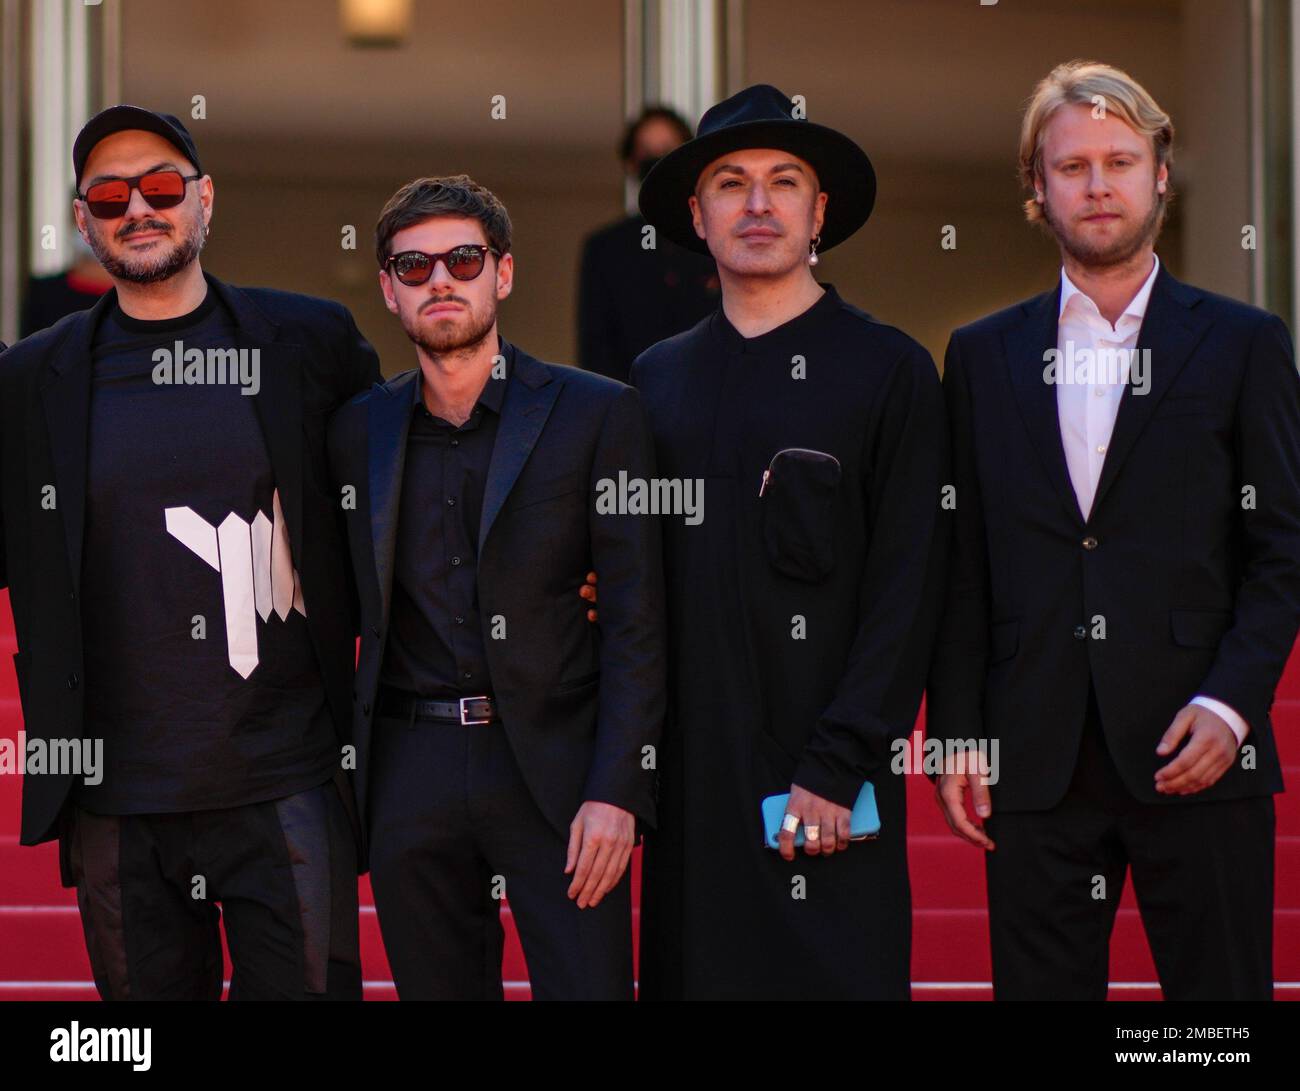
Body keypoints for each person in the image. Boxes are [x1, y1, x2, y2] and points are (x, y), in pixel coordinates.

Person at [928, 61, 1300, 1000]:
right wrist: (959, 735)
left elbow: (1282, 544)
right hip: (1036, 752)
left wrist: (1231, 704)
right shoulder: (978, 356)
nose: (1098, 185)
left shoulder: (1247, 342)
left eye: (1121, 161)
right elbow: (962, 561)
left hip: (1199, 742)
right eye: (1072, 165)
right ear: (1036, 189)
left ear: (1160, 175)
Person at [0, 105, 379, 999]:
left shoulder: (309, 343)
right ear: (84, 218)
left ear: (205, 201)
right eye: (111, 194)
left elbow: (396, 496)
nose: (140, 207)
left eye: (163, 186)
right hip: (115, 796)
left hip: (286, 777)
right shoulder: (29, 380)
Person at [632, 84, 949, 999]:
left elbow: (909, 588)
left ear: (822, 211)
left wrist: (840, 764)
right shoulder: (654, 381)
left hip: (823, 781)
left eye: (784, 181)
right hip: (689, 796)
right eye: (731, 183)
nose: (758, 203)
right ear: (696, 215)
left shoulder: (890, 369)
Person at [327, 175, 665, 1000]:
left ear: (502, 274)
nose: (440, 280)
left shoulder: (598, 414)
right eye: (414, 267)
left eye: (463, 259)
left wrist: (616, 791)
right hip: (412, 763)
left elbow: (637, 619)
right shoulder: (353, 431)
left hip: (555, 767)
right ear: (388, 291)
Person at [577, 106, 719, 382]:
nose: (655, 158)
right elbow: (596, 346)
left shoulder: (717, 239)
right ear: (631, 163)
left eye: (666, 148)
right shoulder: (606, 248)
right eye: (646, 151)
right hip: (634, 406)